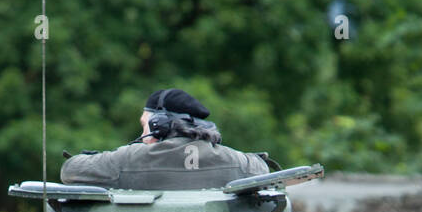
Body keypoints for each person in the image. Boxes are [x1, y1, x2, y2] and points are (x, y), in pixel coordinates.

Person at [60, 88, 269, 189]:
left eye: (145, 126)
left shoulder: (130, 159)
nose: (143, 137)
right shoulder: (236, 162)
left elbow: (70, 170)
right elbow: (264, 170)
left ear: (158, 125)